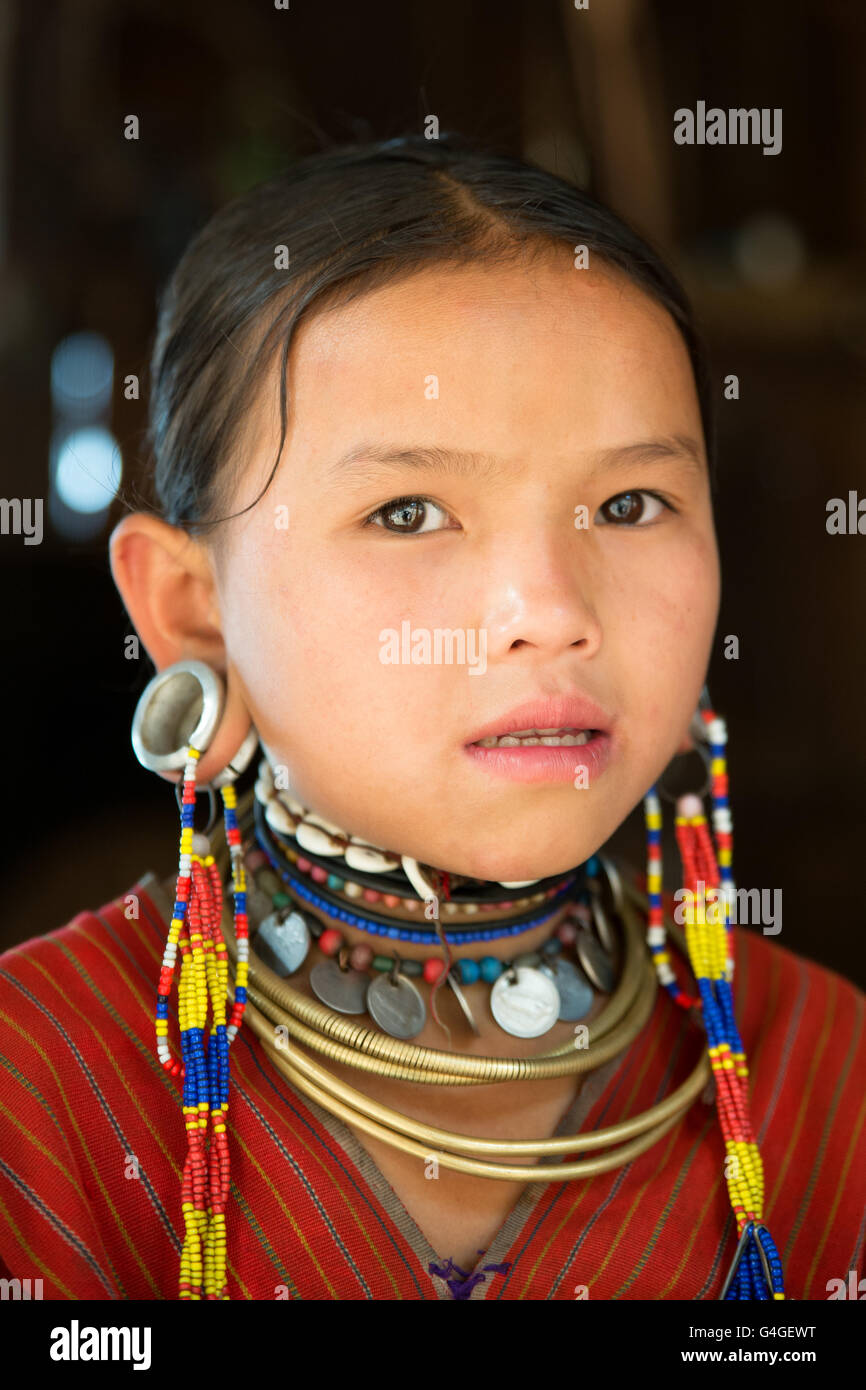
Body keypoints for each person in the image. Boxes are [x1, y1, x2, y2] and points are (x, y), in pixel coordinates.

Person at [1, 134, 863, 1302]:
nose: (549, 615)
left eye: (627, 502)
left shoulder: (824, 1074)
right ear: (193, 611)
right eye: (407, 511)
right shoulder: (38, 1087)